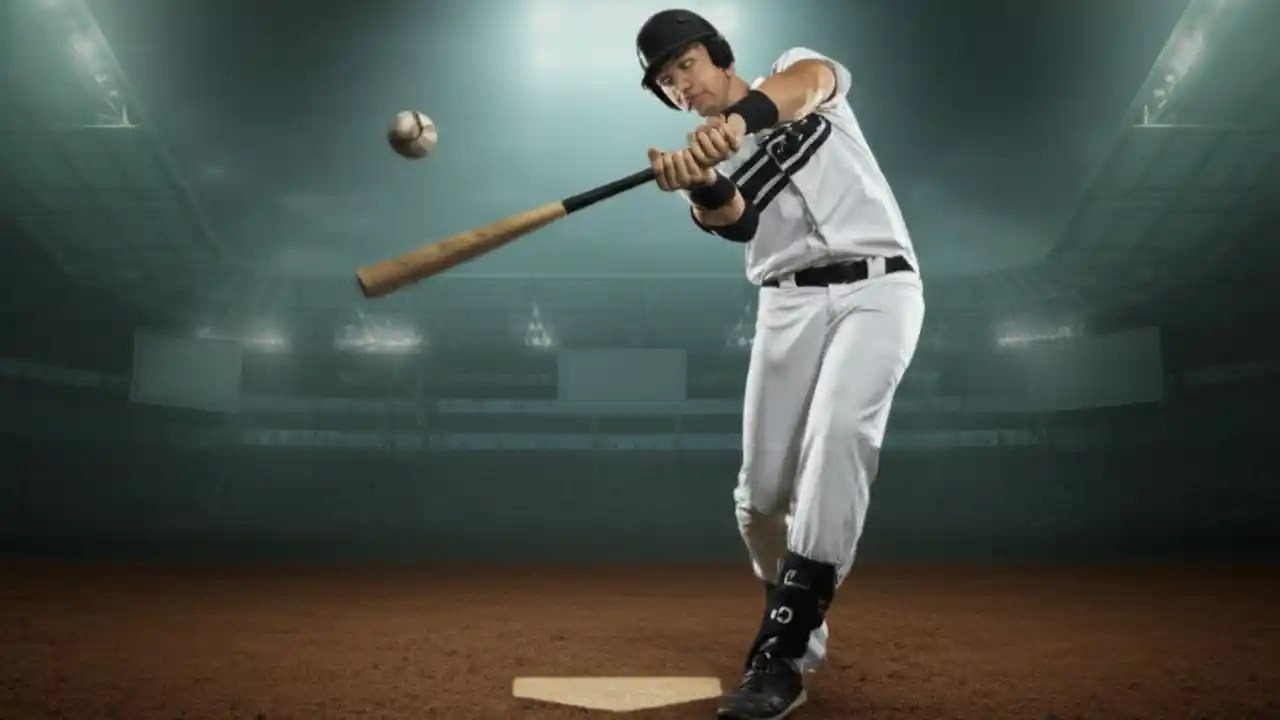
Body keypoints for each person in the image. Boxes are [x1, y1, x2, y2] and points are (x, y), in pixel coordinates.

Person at [635, 9, 927, 720]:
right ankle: (795, 596)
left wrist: (736, 127)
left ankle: (783, 651)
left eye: (687, 66)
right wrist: (700, 181)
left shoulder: (794, 71)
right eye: (667, 82)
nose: (681, 87)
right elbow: (734, 219)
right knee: (760, 500)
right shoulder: (709, 152)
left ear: (720, 55)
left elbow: (809, 85)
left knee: (839, 437)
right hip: (786, 306)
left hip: (878, 286)